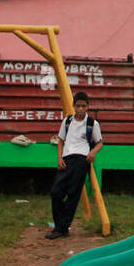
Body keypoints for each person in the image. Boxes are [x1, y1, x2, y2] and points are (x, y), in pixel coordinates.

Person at [48, 92, 103, 239]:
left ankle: (62, 228)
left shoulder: (92, 124)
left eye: (83, 106)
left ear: (88, 107)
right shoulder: (67, 122)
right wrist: (59, 158)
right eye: (78, 106)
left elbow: (100, 142)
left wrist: (93, 153)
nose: (80, 109)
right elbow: (60, 140)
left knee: (73, 194)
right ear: (73, 106)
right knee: (56, 192)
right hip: (66, 159)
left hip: (81, 160)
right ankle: (59, 224)